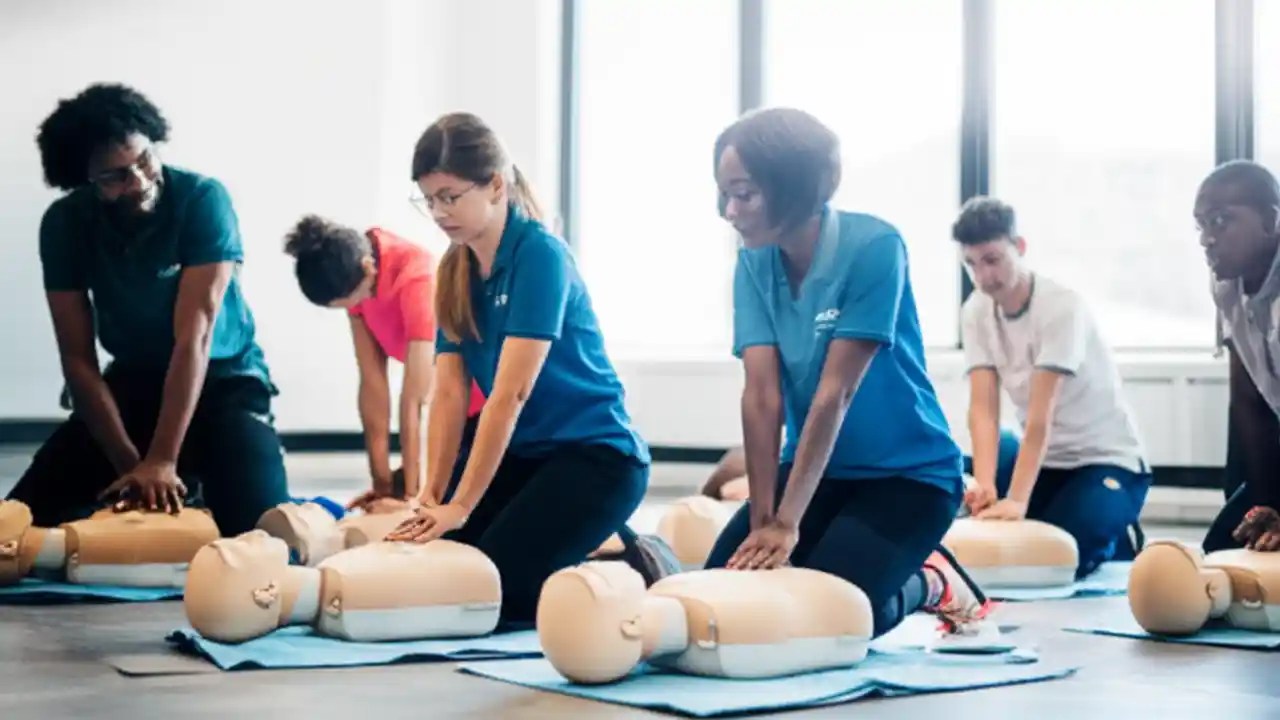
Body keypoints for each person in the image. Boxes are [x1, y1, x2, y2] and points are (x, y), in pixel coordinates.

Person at [703, 106, 991, 639]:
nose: (730, 211)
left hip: (908, 479)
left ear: (792, 187)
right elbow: (762, 398)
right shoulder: (752, 263)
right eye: (725, 195)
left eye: (744, 194)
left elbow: (834, 394)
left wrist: (787, 524)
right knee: (723, 603)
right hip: (818, 471)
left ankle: (930, 581)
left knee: (824, 622)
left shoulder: (874, 247)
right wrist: (763, 521)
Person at [383, 112, 650, 624]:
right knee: (447, 566)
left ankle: (622, 552)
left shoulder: (539, 255)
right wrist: (431, 496)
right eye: (429, 200)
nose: (439, 213)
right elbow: (449, 394)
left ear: (495, 185)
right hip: (528, 457)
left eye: (450, 196)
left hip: (597, 459)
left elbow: (509, 397)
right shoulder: (455, 268)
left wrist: (461, 506)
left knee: (500, 590)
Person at [6, 83, 289, 536]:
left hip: (224, 383)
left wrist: (161, 460)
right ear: (82, 180)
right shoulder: (64, 224)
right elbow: (77, 359)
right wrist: (130, 467)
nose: (138, 181)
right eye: (114, 176)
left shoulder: (201, 199)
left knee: (261, 532)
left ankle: (196, 476)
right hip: (134, 384)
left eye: (144, 160)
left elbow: (194, 338)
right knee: (19, 524)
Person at [952, 196, 1152, 578]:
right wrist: (986, 487)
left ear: (1020, 247)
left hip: (1103, 458)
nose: (983, 277)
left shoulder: (1061, 306)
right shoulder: (976, 310)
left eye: (992, 260)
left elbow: (1041, 415)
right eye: (971, 264)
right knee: (984, 511)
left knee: (1062, 555)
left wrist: (1017, 500)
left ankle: (1120, 531)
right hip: (1045, 460)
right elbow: (983, 409)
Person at [283, 216, 486, 509]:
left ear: (369, 268)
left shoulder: (416, 278)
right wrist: (382, 485)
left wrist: (413, 497)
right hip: (448, 410)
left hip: (479, 407)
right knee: (395, 497)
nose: (356, 307)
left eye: (355, 300)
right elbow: (372, 383)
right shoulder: (352, 271)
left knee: (450, 507)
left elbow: (416, 399)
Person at [1193, 160, 1280, 552]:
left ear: (1271, 221)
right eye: (1201, 225)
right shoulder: (1225, 285)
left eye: (1221, 221)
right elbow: (1248, 399)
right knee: (1219, 556)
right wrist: (1267, 502)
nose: (1206, 239)